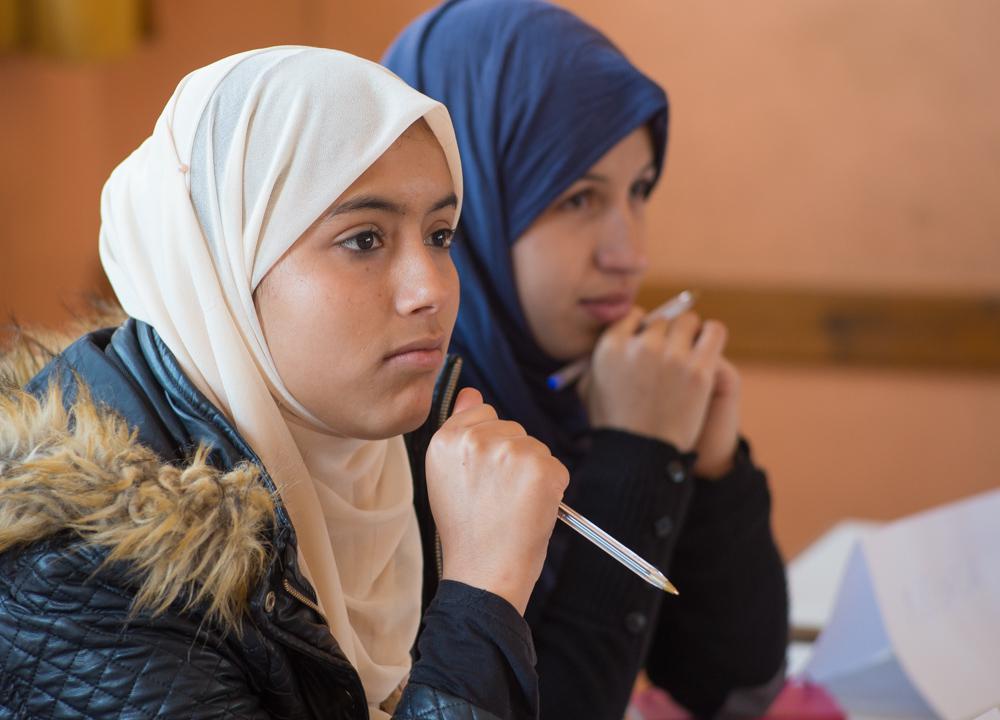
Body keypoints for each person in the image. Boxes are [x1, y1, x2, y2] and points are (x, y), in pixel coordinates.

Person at [0, 46, 569, 719]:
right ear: (222, 265)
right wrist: (482, 595)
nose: (430, 291)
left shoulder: (409, 463)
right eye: (364, 239)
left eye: (441, 235)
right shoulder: (86, 567)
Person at [384, 2, 789, 717]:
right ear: (467, 201)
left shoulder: (571, 385)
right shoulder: (392, 424)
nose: (629, 253)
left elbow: (732, 686)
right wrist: (638, 451)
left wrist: (712, 465)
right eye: (576, 198)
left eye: (638, 191)